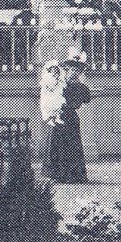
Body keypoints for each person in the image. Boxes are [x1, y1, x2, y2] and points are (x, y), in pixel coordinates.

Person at [45, 51, 92, 183]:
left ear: (80, 73)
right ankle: (59, 175)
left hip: (71, 118)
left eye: (77, 70)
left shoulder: (81, 87)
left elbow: (86, 99)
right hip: (59, 116)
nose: (74, 72)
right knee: (58, 144)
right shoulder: (60, 85)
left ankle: (74, 175)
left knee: (73, 145)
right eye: (71, 69)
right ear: (67, 70)